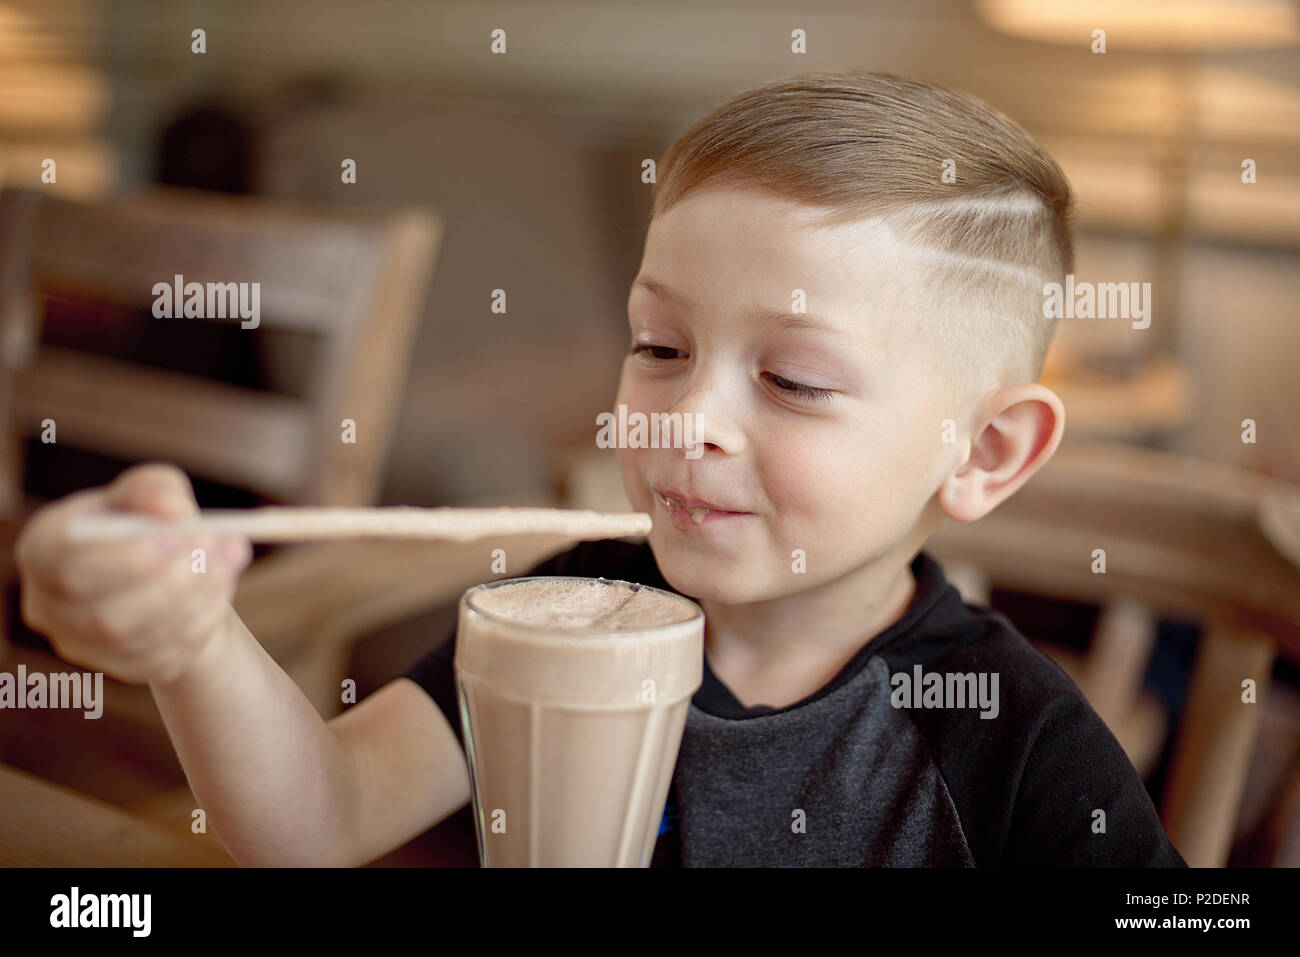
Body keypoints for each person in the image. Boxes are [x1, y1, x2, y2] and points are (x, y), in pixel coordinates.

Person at [13, 71, 1186, 867]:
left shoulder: (1006, 733)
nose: (682, 421)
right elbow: (317, 819)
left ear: (982, 452)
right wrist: (188, 641)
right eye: (660, 348)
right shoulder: (561, 612)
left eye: (792, 380)